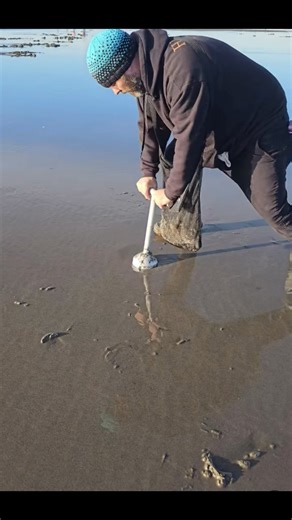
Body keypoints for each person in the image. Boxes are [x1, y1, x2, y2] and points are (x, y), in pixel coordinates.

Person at [86, 28, 292, 249]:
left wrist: (170, 192)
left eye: (114, 83)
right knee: (173, 158)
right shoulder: (146, 75)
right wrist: (148, 171)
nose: (115, 91)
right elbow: (151, 126)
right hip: (220, 124)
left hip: (259, 126)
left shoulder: (182, 71)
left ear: (126, 65)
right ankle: (181, 230)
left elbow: (190, 138)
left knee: (275, 212)